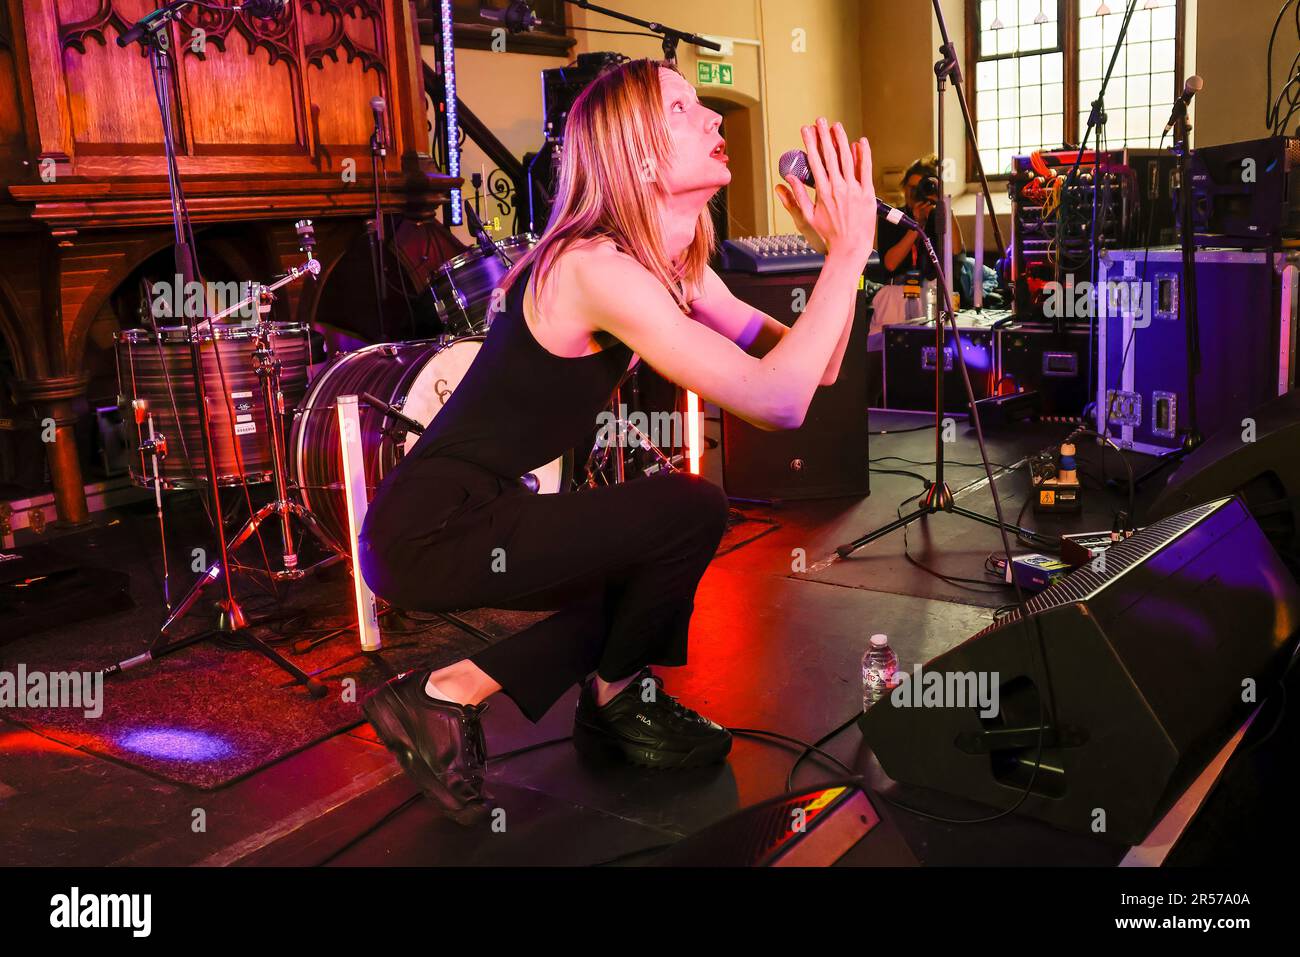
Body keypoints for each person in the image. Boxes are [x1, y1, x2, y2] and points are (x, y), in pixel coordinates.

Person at [358, 58, 876, 826]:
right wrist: (847, 252)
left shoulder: (675, 267)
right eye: (681, 109)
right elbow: (780, 403)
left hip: (495, 506)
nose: (714, 121)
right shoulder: (592, 267)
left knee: (662, 545)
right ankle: (524, 694)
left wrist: (843, 252)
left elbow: (813, 368)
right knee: (686, 507)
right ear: (631, 148)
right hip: (429, 527)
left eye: (707, 106)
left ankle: (551, 696)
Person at [869, 154, 966, 340]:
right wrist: (916, 225)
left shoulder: (939, 216)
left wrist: (944, 207)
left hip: (932, 297)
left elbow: (955, 251)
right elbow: (890, 264)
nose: (915, 194)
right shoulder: (893, 218)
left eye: (922, 188)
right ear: (904, 188)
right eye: (911, 188)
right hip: (896, 298)